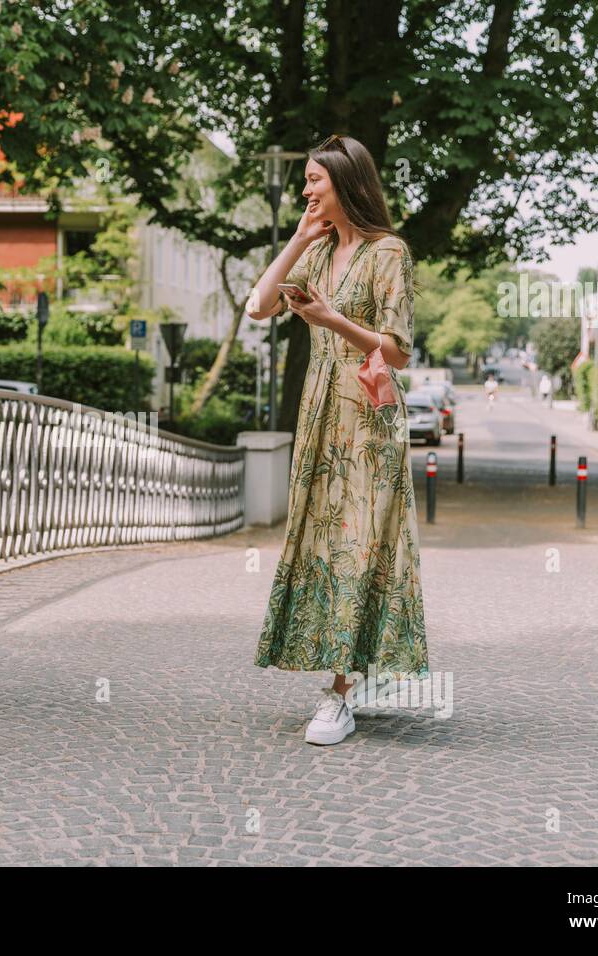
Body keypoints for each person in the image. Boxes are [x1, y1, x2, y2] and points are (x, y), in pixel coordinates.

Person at [245, 134, 429, 746]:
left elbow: (398, 351)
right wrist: (298, 238)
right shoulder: (318, 253)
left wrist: (333, 322)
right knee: (320, 541)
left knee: (361, 543)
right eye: (303, 181)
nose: (305, 190)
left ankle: (339, 692)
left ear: (346, 183)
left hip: (368, 418)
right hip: (318, 412)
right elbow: (257, 307)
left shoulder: (388, 253)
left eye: (314, 181)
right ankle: (352, 672)